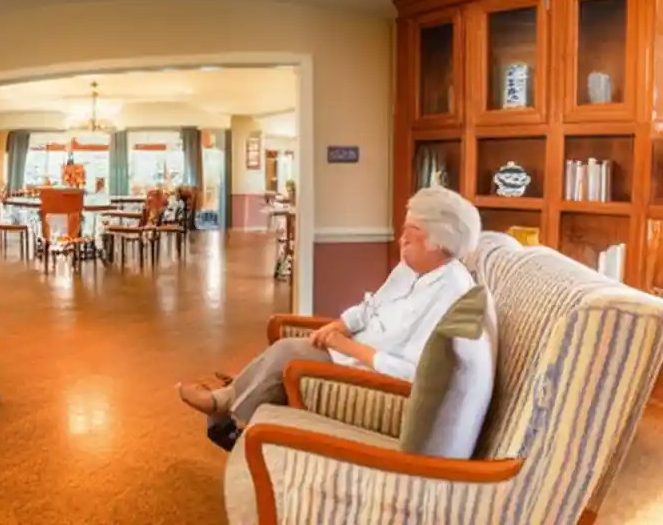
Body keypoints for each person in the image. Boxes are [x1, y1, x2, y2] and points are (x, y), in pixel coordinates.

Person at [178, 185, 481, 450]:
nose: (401, 241)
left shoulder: (450, 292)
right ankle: (226, 404)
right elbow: (372, 307)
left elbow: (412, 372)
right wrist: (341, 325)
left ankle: (229, 416)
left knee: (288, 354)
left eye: (410, 236)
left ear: (439, 244)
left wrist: (347, 347)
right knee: (286, 346)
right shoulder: (410, 269)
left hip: (371, 375)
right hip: (350, 351)